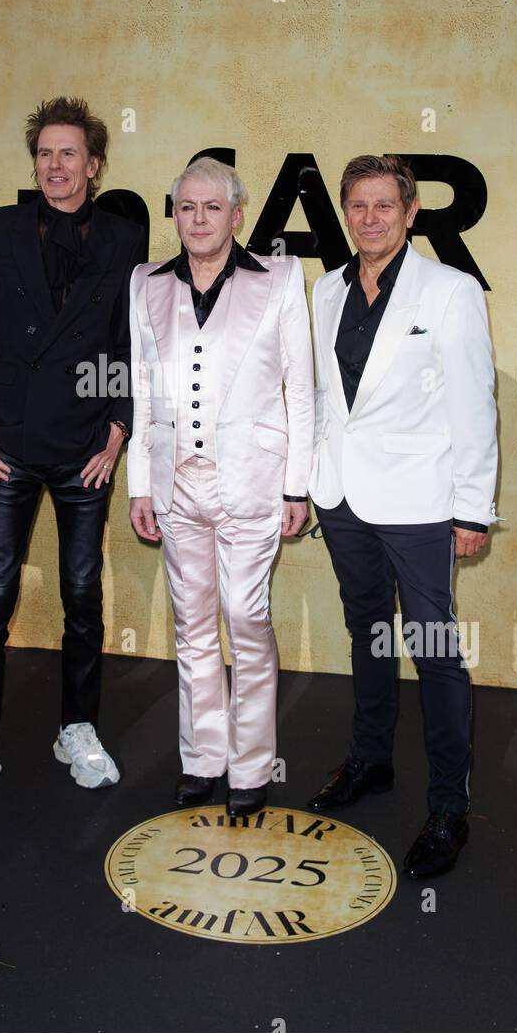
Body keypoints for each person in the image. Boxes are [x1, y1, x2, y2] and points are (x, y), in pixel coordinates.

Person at [0, 96, 146, 815]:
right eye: (45, 154)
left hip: (86, 446)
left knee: (82, 596)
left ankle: (76, 728)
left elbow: (123, 340)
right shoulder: (3, 226)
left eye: (69, 153)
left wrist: (117, 429)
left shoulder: (123, 236)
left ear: (94, 163)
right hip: (9, 444)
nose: (55, 165)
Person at [306, 154, 498, 877]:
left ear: (411, 212)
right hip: (344, 498)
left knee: (435, 651)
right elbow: (325, 401)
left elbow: (474, 403)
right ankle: (371, 760)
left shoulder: (450, 292)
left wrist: (472, 507)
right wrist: (308, 485)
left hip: (421, 503)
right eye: (357, 205)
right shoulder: (325, 290)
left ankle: (449, 806)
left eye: (384, 205)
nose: (369, 218)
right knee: (368, 632)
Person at [127, 157, 314, 818]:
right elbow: (143, 388)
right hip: (177, 483)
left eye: (212, 207)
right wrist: (140, 485)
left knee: (248, 617)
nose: (198, 218)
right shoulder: (145, 282)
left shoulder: (282, 277)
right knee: (192, 623)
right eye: (186, 207)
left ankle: (253, 765)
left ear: (236, 215)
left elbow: (301, 388)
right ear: (173, 214)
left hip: (254, 481)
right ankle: (204, 758)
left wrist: (298, 488)